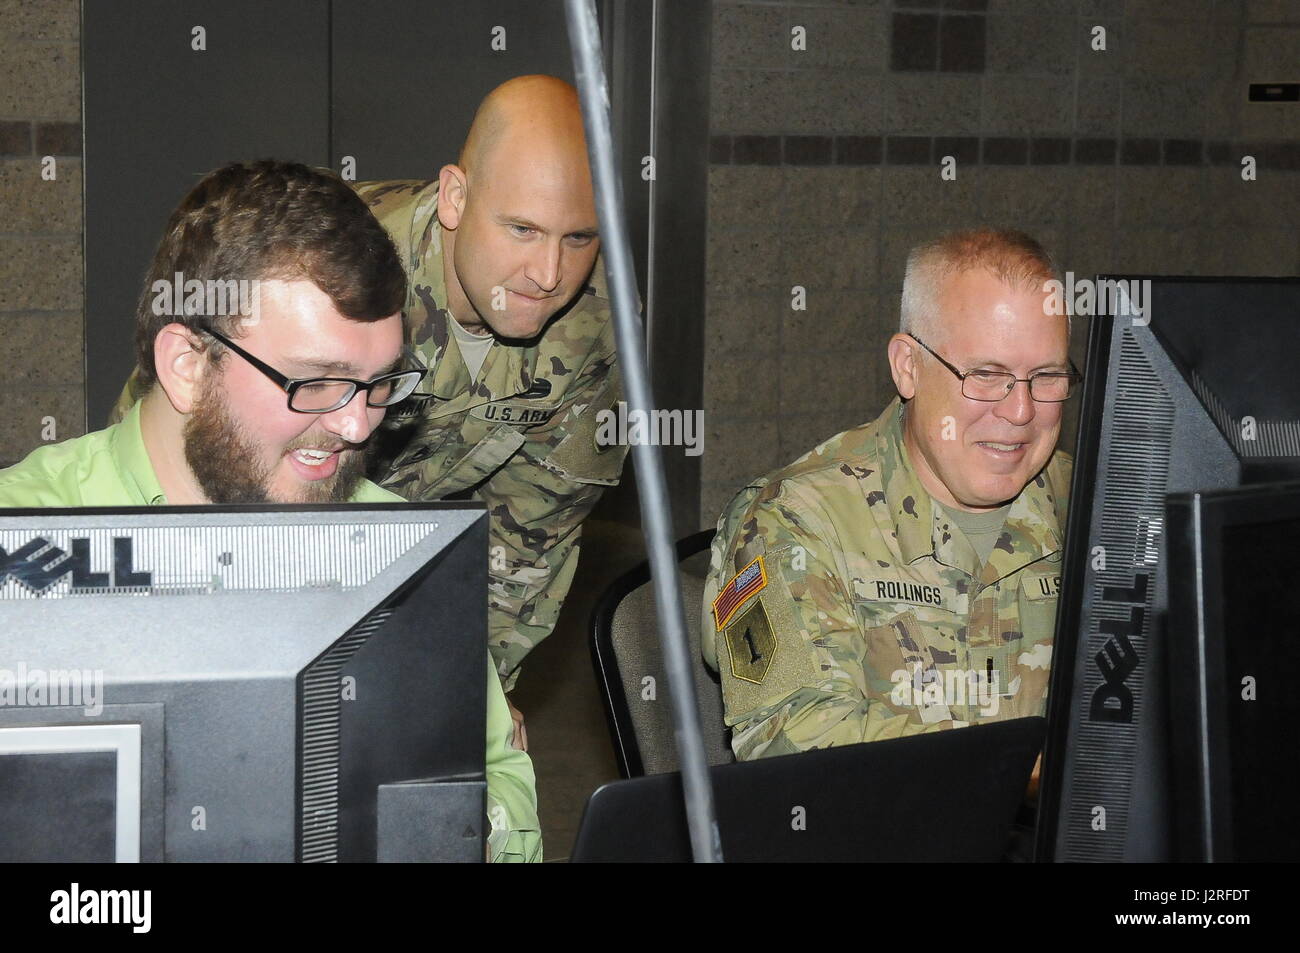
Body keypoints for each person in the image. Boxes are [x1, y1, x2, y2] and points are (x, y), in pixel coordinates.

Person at [0, 159, 541, 862]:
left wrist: (453, 830)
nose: (357, 428)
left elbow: (505, 791)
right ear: (188, 366)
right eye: (317, 383)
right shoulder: (25, 543)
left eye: (380, 385)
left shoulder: (398, 555)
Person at [113, 77, 629, 749]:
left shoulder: (591, 333)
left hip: (390, 560)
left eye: (579, 237)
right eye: (522, 229)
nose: (550, 271)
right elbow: (181, 444)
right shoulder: (339, 270)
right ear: (455, 196)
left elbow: (529, 544)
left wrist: (463, 693)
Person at [701, 228, 1078, 763]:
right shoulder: (793, 518)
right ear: (909, 367)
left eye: (1046, 377)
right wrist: (1029, 771)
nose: (1020, 412)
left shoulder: (1099, 505)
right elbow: (796, 743)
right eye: (987, 376)